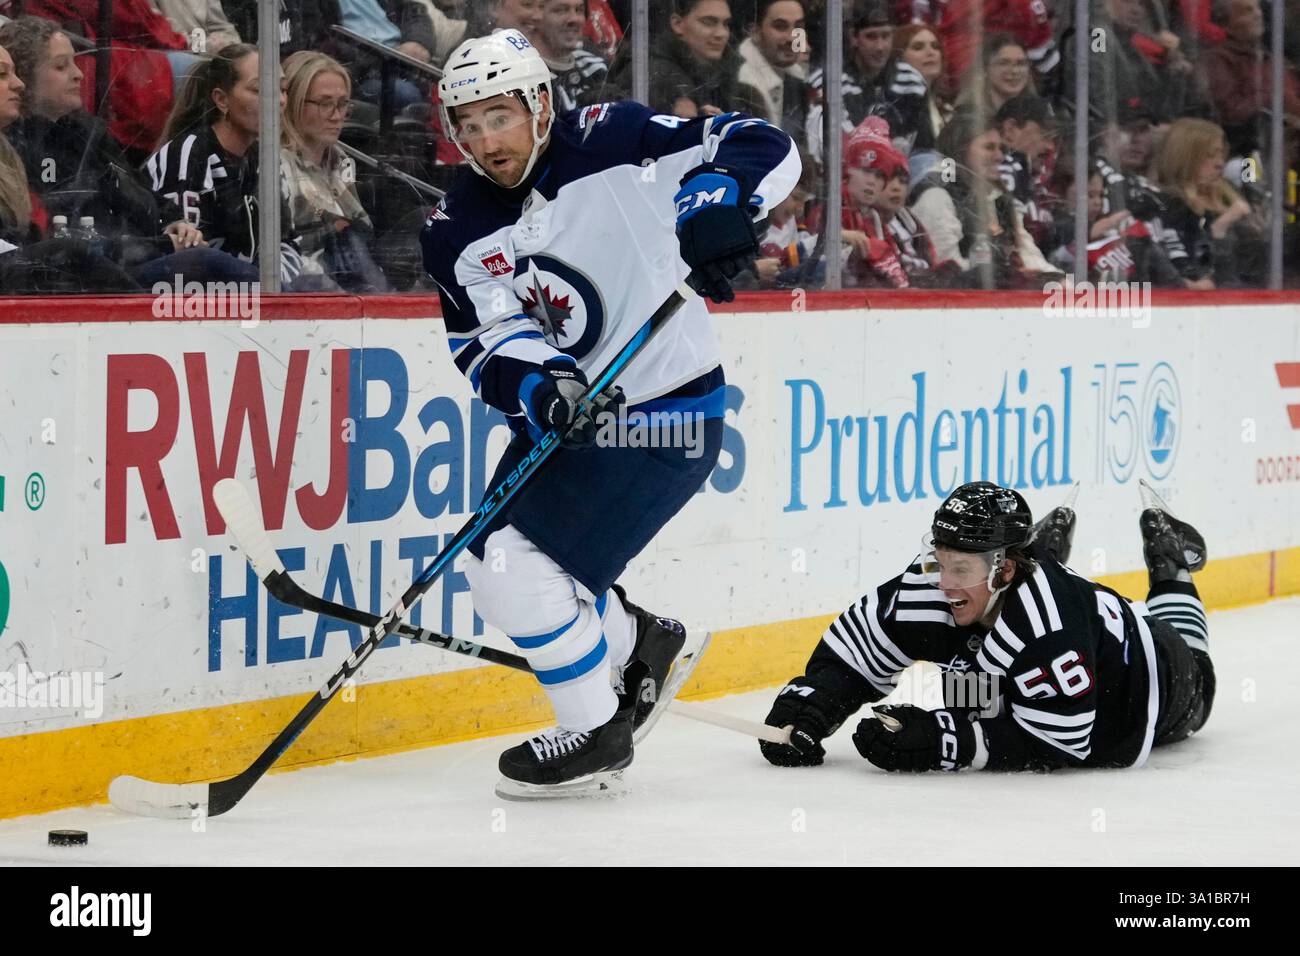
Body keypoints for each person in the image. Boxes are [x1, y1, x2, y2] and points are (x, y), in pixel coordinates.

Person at [420, 28, 799, 797]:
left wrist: (718, 197)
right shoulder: (456, 225)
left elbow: (763, 142)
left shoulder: (617, 139)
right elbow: (486, 339)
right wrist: (538, 387)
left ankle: (596, 733)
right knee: (501, 565)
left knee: (513, 571)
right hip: (570, 421)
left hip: (666, 413)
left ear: (538, 103)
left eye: (500, 116)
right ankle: (638, 642)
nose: (487, 140)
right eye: (469, 125)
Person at [759, 481, 1216, 775]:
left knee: (1202, 674)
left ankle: (1172, 567)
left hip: (1150, 679)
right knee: (966, 688)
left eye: (961, 569)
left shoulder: (1047, 633)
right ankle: (1047, 550)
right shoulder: (937, 585)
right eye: (941, 562)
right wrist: (817, 700)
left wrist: (946, 742)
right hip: (1044, 638)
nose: (945, 584)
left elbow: (1060, 742)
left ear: (1004, 570)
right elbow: (860, 647)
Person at [909, 108, 1060, 287]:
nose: (999, 156)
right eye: (989, 148)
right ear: (960, 150)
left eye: (1002, 148)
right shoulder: (936, 197)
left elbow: (1029, 257)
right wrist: (1011, 280)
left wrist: (1059, 281)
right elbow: (947, 271)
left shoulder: (999, 200)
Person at [280, 51, 388, 290]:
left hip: (348, 275)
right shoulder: (276, 165)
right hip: (308, 283)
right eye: (325, 104)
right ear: (294, 102)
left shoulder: (342, 161)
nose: (337, 116)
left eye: (342, 104)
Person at [608, 0, 763, 118]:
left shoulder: (731, 83)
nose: (721, 33)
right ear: (677, 24)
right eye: (709, 22)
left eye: (726, 24)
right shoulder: (653, 76)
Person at [736, 0, 808, 144]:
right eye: (780, 27)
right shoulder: (740, 81)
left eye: (798, 28)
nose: (792, 38)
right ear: (755, 32)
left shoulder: (796, 78)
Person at [532, 0, 612, 114]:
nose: (574, 19)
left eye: (579, 10)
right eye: (561, 10)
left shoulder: (598, 68)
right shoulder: (523, 75)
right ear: (536, 15)